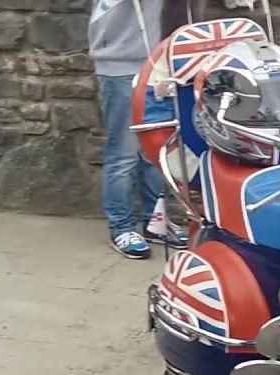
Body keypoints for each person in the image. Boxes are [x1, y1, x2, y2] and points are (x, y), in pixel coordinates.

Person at [89, 0, 203, 260]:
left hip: (161, 62)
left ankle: (155, 221)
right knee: (124, 151)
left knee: (156, 148)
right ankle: (121, 227)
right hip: (121, 61)